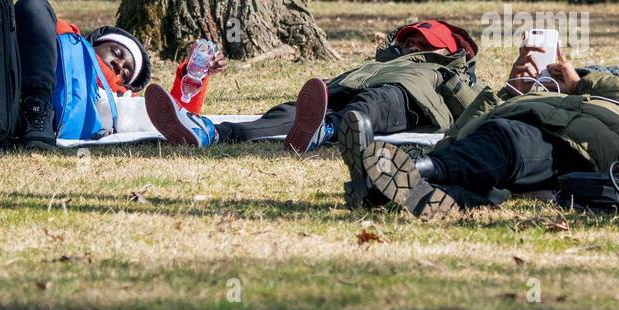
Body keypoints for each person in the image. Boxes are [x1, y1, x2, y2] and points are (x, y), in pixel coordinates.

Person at [142, 21, 482, 194]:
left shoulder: (446, 70)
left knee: (369, 104)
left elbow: (475, 106)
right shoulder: (372, 64)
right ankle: (213, 132)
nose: (411, 45)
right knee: (287, 112)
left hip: (405, 99)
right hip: (348, 90)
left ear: (446, 51)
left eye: (423, 43)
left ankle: (327, 129)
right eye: (408, 40)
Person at [345, 40, 619, 219]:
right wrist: (510, 90)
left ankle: (410, 169)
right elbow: (459, 136)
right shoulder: (541, 98)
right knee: (486, 176)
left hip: (567, 142)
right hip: (531, 153)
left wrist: (583, 82)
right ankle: (397, 193)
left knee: (506, 141)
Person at [13, 0, 221, 149]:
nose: (120, 65)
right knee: (33, 3)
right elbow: (32, 15)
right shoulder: (71, 43)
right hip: (16, 94)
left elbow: (175, 116)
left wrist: (194, 74)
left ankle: (37, 117)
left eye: (127, 72)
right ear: (93, 44)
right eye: (117, 52)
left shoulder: (122, 99)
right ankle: (35, 110)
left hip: (61, 122)